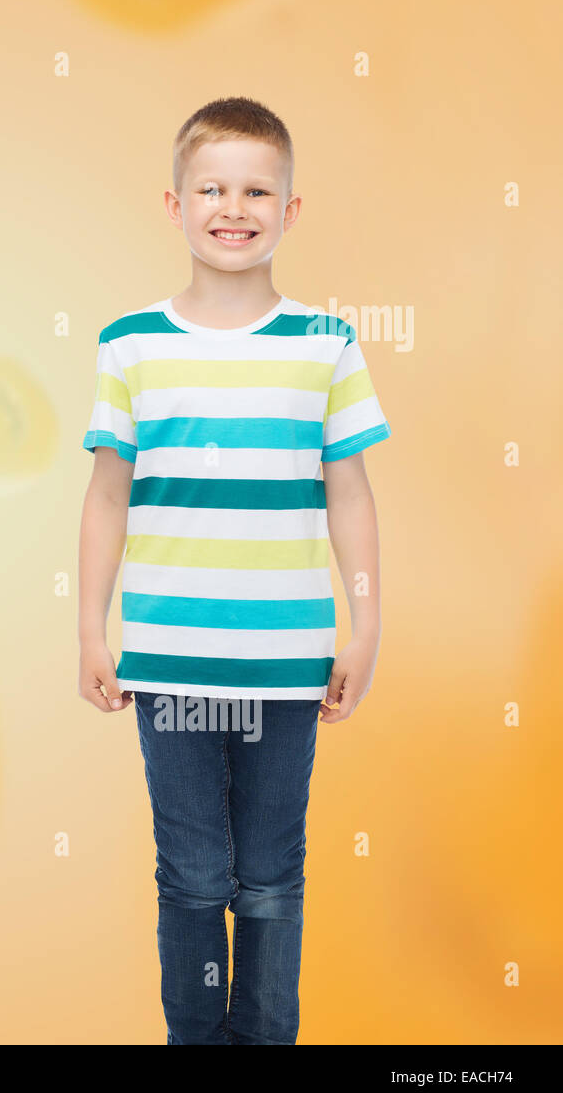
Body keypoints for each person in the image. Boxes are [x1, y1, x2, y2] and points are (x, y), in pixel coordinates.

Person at [76, 96, 390, 1044]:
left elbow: (352, 495)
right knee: (193, 876)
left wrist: (365, 626)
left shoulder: (326, 345)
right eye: (211, 188)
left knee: (270, 875)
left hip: (288, 663)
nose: (233, 206)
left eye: (257, 190)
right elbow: (105, 496)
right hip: (168, 661)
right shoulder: (129, 343)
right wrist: (90, 629)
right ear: (174, 205)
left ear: (290, 210)